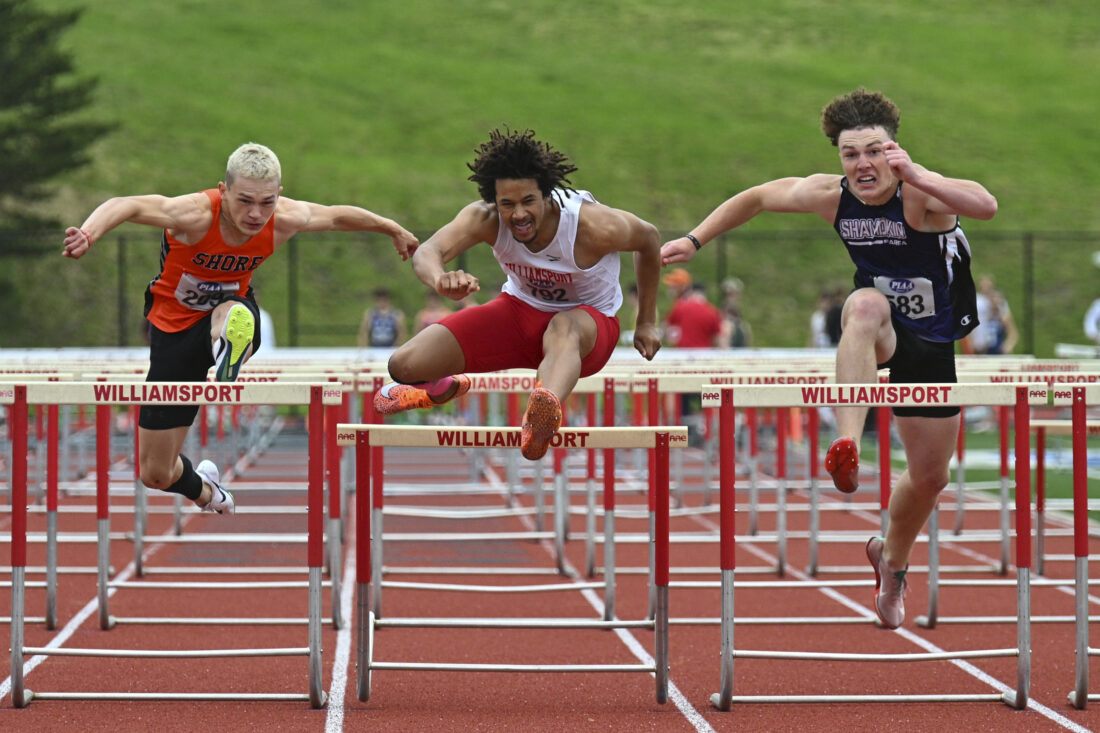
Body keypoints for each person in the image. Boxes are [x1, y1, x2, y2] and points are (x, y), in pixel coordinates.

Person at [661, 88, 997, 629]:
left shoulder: (920, 195)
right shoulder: (829, 195)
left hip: (933, 343)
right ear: (838, 159)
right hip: (883, 328)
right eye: (850, 154)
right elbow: (756, 196)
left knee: (931, 477)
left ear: (893, 151)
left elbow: (985, 206)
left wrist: (917, 174)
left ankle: (891, 560)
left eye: (873, 151)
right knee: (861, 306)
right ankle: (845, 440)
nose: (862, 165)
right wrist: (694, 241)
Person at [63, 142, 418, 515]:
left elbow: (335, 216)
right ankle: (209, 492)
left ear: (278, 196)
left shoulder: (285, 217)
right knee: (155, 472)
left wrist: (390, 227)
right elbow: (126, 204)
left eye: (266, 202)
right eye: (245, 201)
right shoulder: (195, 214)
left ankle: (227, 346)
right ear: (223, 191)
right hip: (172, 331)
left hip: (230, 312)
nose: (255, 214)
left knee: (231, 312)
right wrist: (89, 233)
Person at [374, 127, 662, 460]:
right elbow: (428, 251)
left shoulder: (593, 227)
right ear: (494, 202)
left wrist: (646, 322)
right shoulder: (486, 218)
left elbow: (649, 240)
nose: (519, 215)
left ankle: (541, 414)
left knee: (563, 326)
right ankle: (441, 388)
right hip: (519, 314)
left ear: (547, 195)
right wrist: (440, 280)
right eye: (507, 204)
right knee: (404, 365)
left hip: (586, 331)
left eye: (528, 202)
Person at [663, 269, 723, 348]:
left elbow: (666, 330)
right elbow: (718, 338)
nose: (670, 289)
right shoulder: (712, 310)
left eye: (673, 286)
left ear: (683, 287)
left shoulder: (680, 307)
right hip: (704, 354)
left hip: (683, 352)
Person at [964, 275, 1017, 354]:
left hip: (997, 349)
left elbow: (1012, 330)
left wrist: (1008, 345)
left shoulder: (1000, 303)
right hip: (980, 349)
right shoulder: (976, 302)